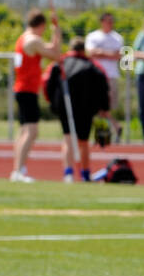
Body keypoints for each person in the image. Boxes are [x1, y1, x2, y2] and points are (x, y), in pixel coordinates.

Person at [46, 37, 110, 182]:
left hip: (65, 106)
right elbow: (103, 87)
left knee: (68, 138)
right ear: (83, 50)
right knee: (83, 141)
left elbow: (49, 85)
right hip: (85, 107)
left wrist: (53, 103)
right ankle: (85, 174)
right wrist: (104, 107)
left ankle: (68, 173)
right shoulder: (91, 66)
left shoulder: (60, 64)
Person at [10, 8, 62, 182]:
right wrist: (57, 32)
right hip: (27, 90)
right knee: (31, 132)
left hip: (22, 89)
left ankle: (18, 169)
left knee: (25, 131)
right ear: (41, 25)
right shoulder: (33, 40)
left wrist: (55, 32)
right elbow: (55, 55)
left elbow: (50, 49)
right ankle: (18, 171)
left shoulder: (24, 37)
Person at [85, 11, 124, 143]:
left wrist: (101, 52)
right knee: (97, 107)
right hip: (95, 76)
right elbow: (90, 52)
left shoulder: (118, 38)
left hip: (111, 76)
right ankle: (109, 131)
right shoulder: (93, 36)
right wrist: (109, 54)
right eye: (107, 21)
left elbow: (119, 55)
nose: (110, 23)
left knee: (105, 108)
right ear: (101, 22)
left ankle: (104, 134)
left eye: (112, 21)